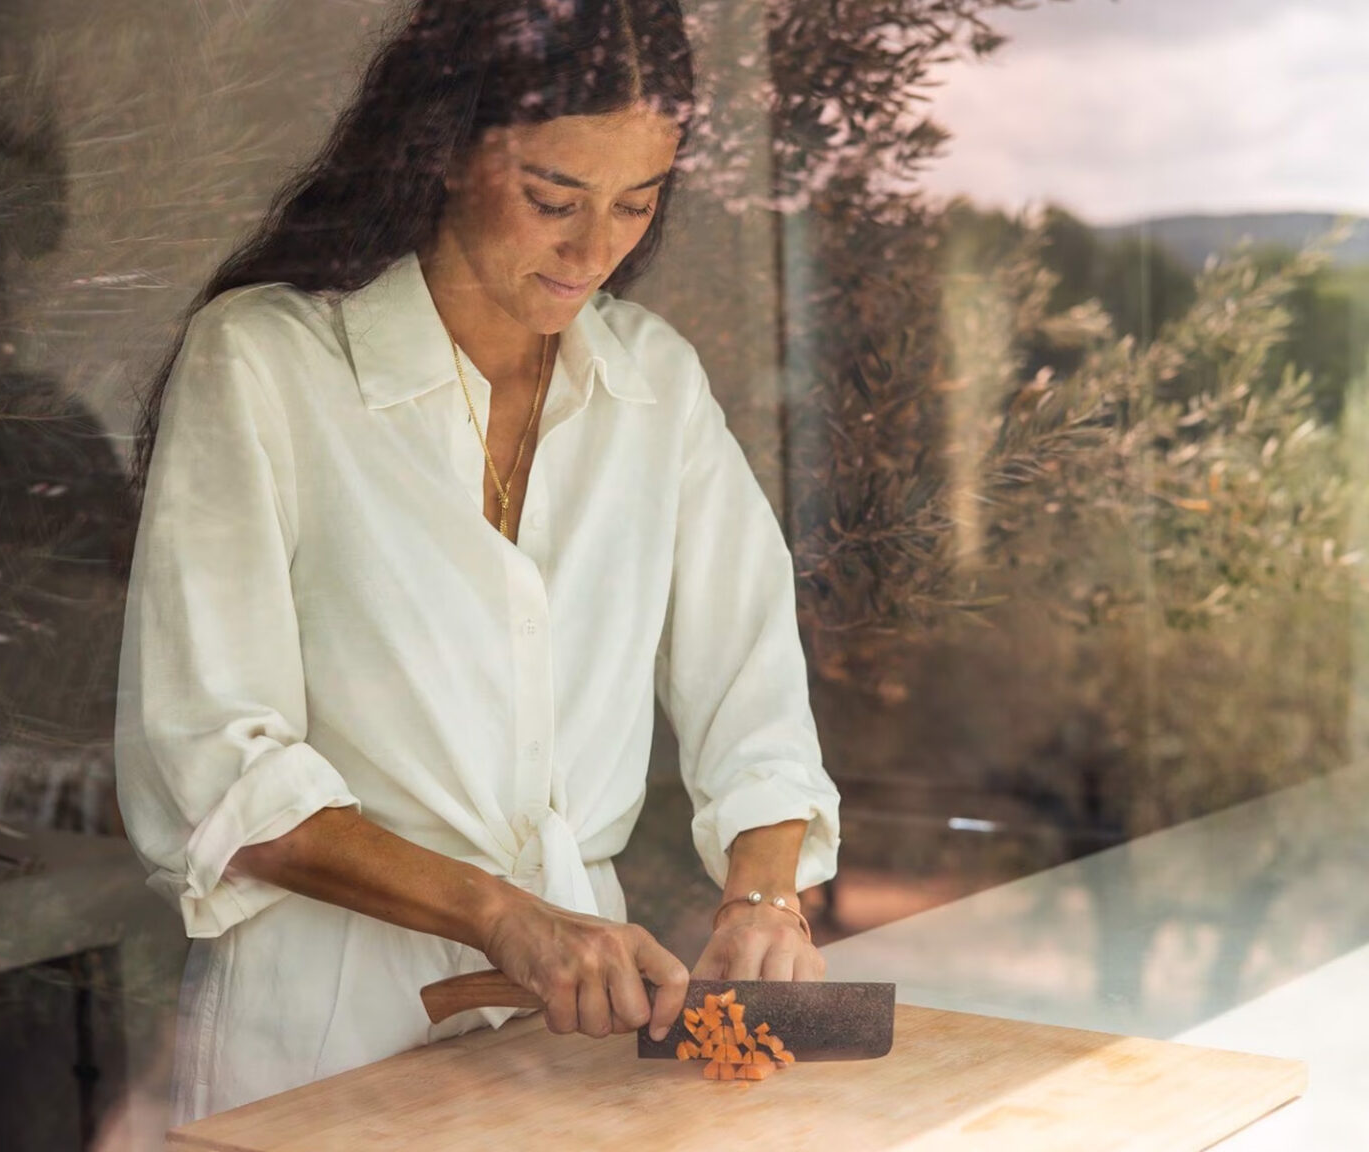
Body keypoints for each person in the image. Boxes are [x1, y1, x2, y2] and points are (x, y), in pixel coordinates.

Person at [114, 0, 840, 1122]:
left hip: (578, 1028)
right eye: (554, 198)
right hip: (323, 1031)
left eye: (636, 202)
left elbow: (751, 685)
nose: (594, 248)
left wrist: (766, 896)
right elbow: (220, 769)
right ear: (447, 150)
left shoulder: (654, 384)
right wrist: (505, 916)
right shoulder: (265, 364)